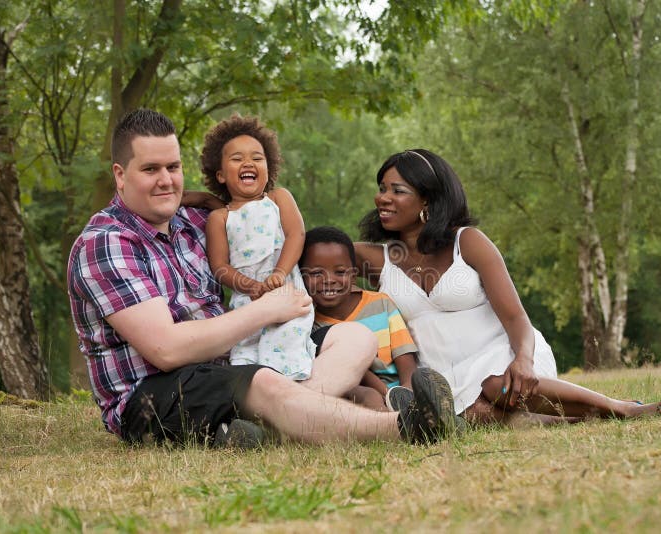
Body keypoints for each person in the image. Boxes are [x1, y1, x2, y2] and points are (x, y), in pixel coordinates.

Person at [67, 109, 456, 447]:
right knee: (266, 382)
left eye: (173, 167)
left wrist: (199, 197)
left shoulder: (192, 222)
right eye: (150, 169)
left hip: (231, 361)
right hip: (154, 393)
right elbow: (165, 350)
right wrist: (268, 309)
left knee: (357, 338)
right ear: (120, 175)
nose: (166, 180)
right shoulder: (106, 243)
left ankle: (277, 422)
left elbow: (240, 207)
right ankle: (408, 427)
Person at [355, 149, 661, 426]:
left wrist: (523, 360)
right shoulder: (377, 259)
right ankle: (567, 419)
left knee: (496, 387)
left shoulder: (467, 242)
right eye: (382, 189)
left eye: (397, 190)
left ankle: (619, 407)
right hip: (442, 375)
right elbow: (323, 251)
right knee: (476, 415)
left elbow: (516, 317)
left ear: (428, 198)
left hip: (501, 354)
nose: (383, 198)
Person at [200, 115, 315, 380]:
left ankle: (293, 390)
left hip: (284, 291)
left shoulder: (278, 198)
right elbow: (220, 266)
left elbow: (296, 234)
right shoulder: (220, 218)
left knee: (286, 348)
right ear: (220, 175)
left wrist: (279, 272)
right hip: (247, 300)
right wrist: (249, 286)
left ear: (269, 168)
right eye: (237, 158)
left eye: (257, 158)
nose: (248, 163)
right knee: (245, 356)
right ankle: (254, 398)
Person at [299, 226, 418, 412]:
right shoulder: (311, 326)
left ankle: (419, 411)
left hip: (398, 389)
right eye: (316, 273)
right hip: (355, 391)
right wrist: (386, 394)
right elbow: (359, 374)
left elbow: (405, 357)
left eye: (340, 272)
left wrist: (407, 391)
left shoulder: (380, 304)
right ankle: (392, 421)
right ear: (301, 278)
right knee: (367, 395)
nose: (329, 280)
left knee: (419, 387)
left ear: (353, 275)